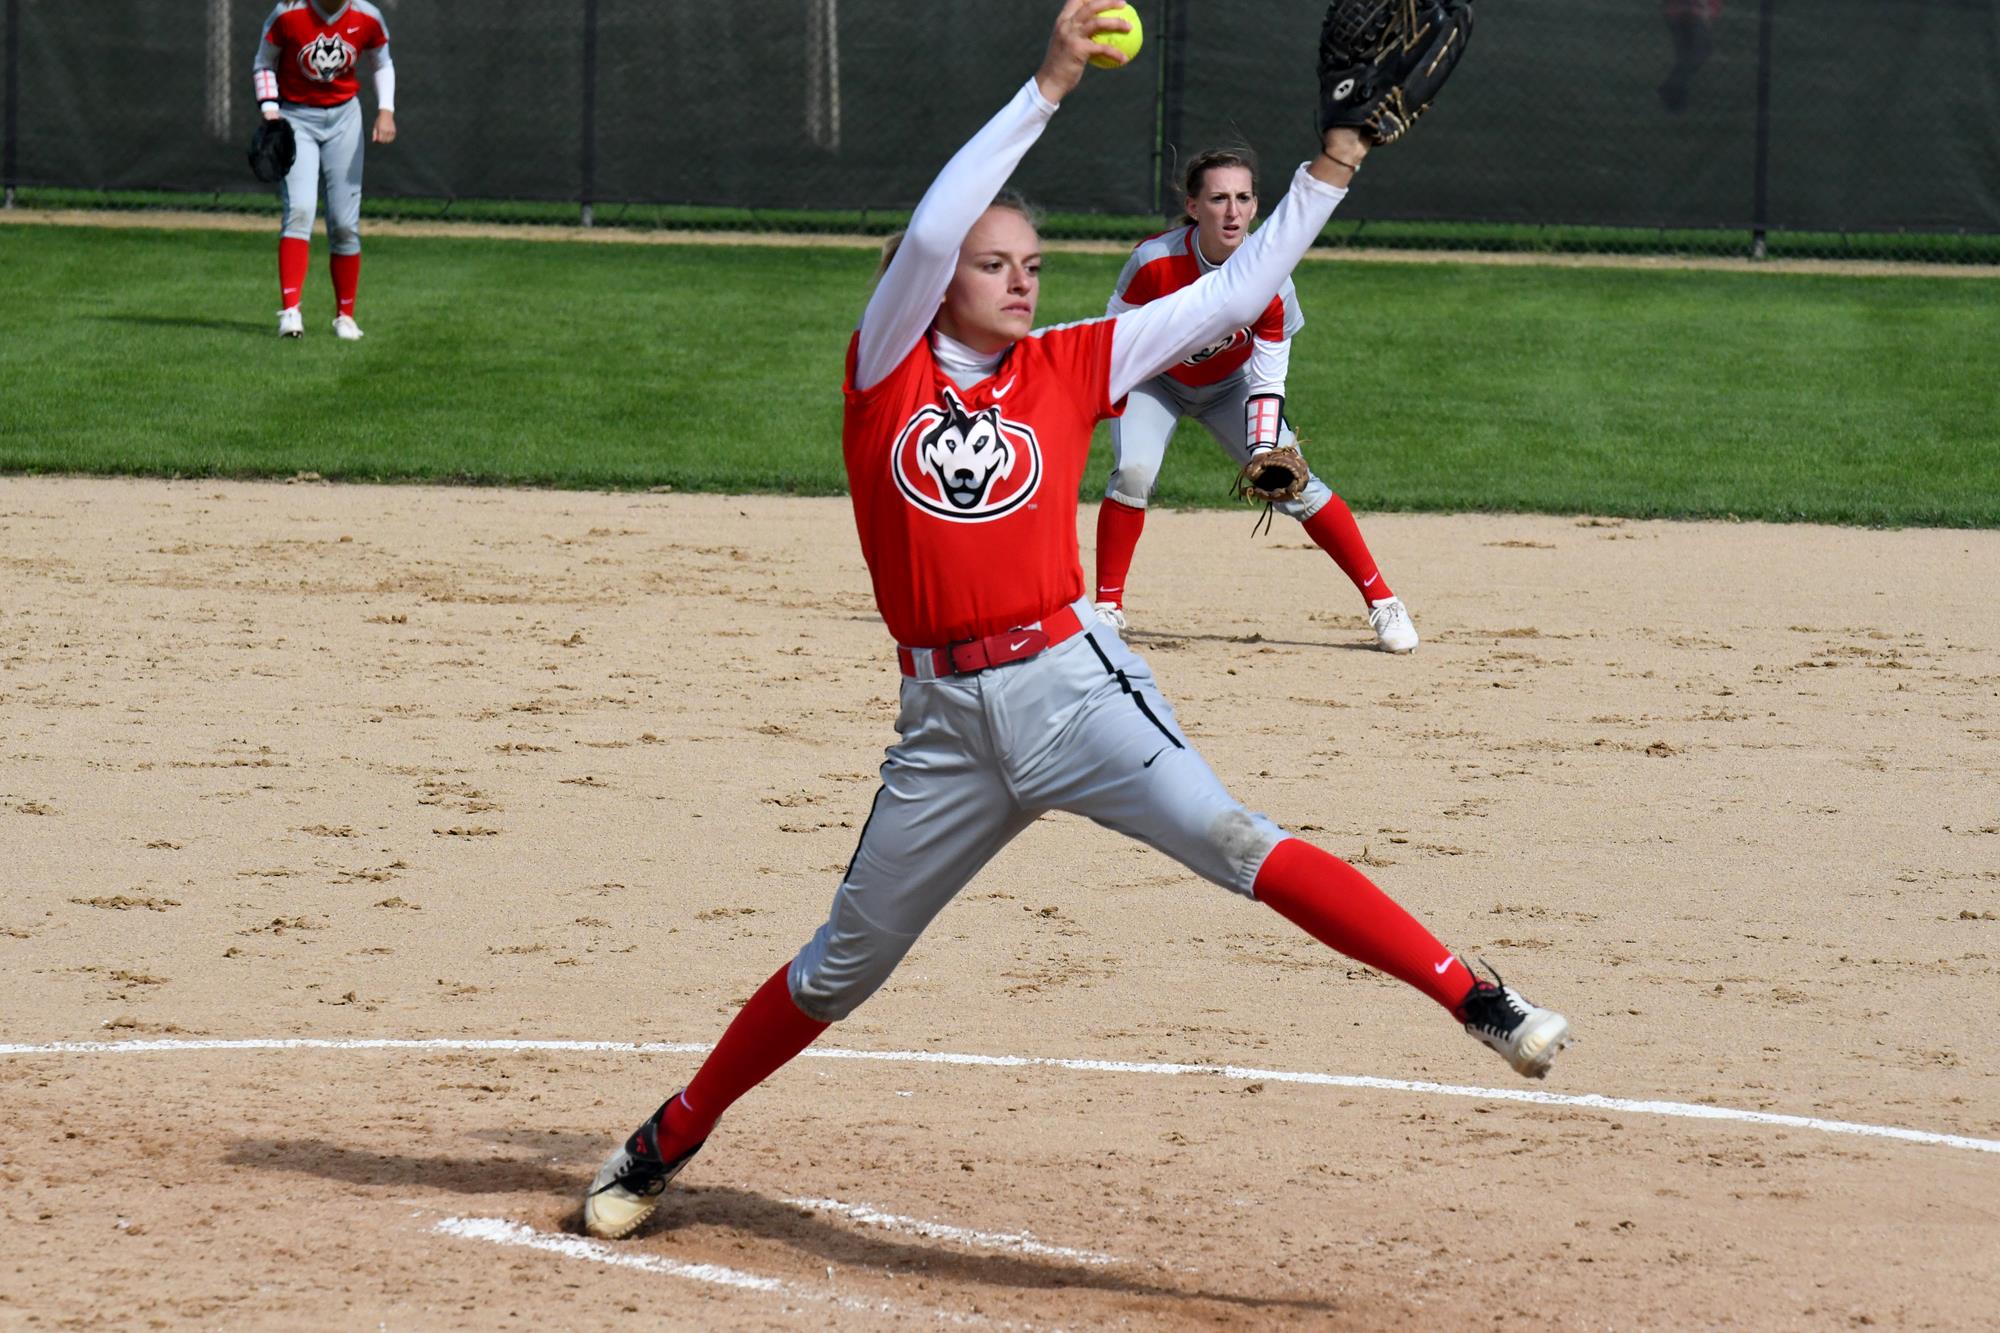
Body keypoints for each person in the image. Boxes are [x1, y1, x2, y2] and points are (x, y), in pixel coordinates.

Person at [582, 0, 1568, 1242]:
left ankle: (1474, 997)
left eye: (1029, 266)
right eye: (993, 265)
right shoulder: (882, 370)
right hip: (942, 726)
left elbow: (1246, 283)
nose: (1017, 278)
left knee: (1236, 841)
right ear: (934, 279)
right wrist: (1046, 85)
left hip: (1071, 687)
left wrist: (1334, 160)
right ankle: (670, 1133)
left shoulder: (1067, 365)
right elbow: (942, 217)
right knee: (839, 966)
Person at [1094, 149, 1418, 653]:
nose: (1232, 211)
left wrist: (1265, 450)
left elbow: (1268, 377)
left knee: (1301, 487)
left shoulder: (1273, 279)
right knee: (1134, 471)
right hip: (1154, 380)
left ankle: (1383, 602)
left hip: (1232, 388)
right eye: (1218, 198)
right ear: (1193, 205)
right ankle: (1107, 607)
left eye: (1243, 198)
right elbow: (1116, 342)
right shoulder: (1154, 262)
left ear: (1255, 206)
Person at [252, 0, 397, 340]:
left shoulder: (366, 15)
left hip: (344, 117)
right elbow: (263, 62)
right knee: (300, 210)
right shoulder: (289, 13)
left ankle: (345, 316)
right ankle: (291, 312)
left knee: (345, 223)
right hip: (296, 118)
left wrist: (386, 109)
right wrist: (271, 108)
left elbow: (382, 62)